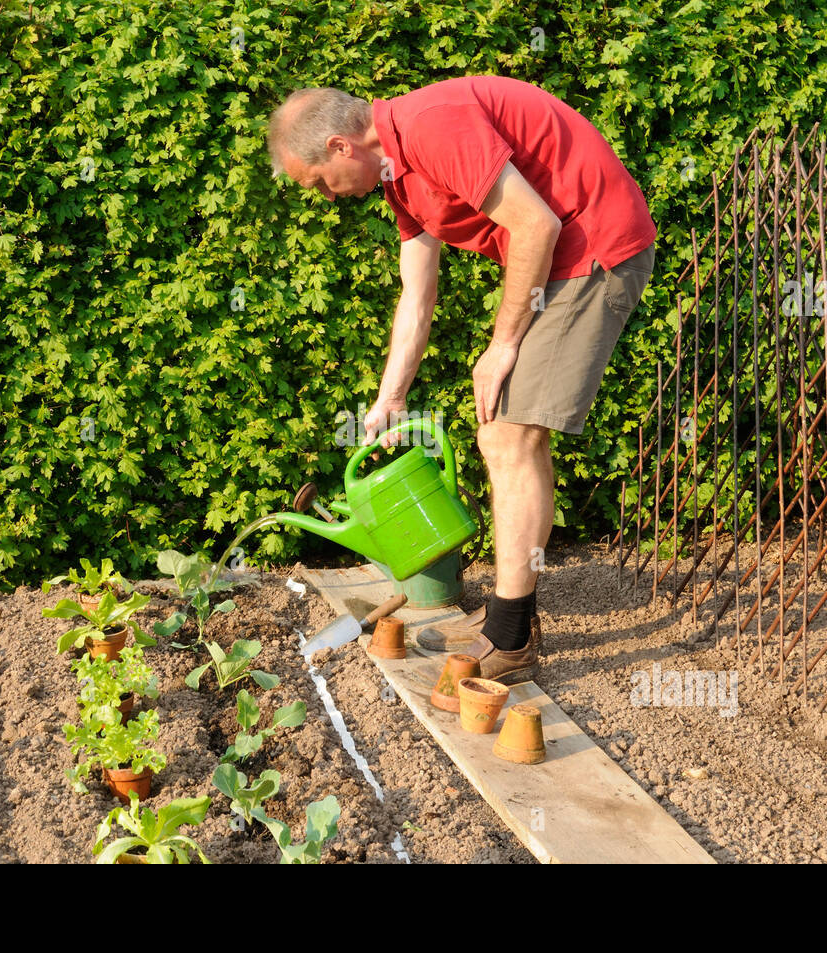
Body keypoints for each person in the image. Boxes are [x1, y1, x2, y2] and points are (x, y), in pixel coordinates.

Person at [268, 76, 656, 685]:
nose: (323, 196)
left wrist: (503, 345)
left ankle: (511, 638)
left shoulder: (432, 126)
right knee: (503, 436)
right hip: (561, 262)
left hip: (592, 251)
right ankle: (507, 618)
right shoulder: (398, 175)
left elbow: (536, 228)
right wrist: (390, 396)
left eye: (315, 182)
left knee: (509, 438)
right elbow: (417, 295)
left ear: (342, 147)